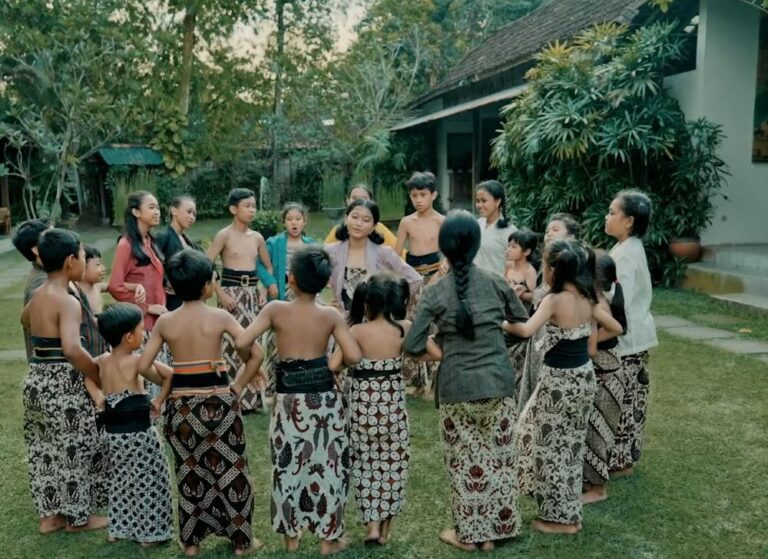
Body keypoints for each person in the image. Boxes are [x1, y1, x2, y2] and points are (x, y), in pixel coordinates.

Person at [404, 210, 528, 552]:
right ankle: (497, 530)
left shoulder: (434, 292)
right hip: (498, 383)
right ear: (477, 245)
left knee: (464, 461)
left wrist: (446, 353)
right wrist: (493, 339)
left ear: (443, 247)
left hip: (456, 386)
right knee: (499, 458)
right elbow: (521, 322)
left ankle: (470, 535)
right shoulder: (496, 281)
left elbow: (413, 345)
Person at [138, 248, 265, 557]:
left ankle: (191, 542)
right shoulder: (220, 315)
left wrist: (175, 379)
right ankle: (241, 542)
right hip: (220, 403)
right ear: (209, 285)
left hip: (181, 409)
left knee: (190, 472)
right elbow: (255, 352)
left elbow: (143, 366)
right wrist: (237, 384)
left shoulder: (166, 321)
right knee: (231, 471)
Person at [236, 246, 362, 556]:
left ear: (290, 278)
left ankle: (291, 539)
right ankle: (327, 539)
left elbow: (241, 341)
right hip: (325, 402)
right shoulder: (331, 314)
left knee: (288, 465)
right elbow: (354, 355)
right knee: (329, 466)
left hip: (288, 402)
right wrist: (331, 365)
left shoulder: (275, 310)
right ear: (324, 282)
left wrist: (251, 368)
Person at [503, 240, 623, 535]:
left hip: (558, 382)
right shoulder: (587, 299)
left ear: (554, 270)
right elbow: (617, 328)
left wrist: (503, 322)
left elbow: (527, 330)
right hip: (583, 378)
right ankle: (570, 513)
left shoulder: (554, 301)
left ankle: (558, 519)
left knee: (549, 450)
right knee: (571, 447)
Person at [330, 273, 437, 546]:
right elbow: (429, 353)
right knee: (392, 463)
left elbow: (336, 364)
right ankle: (385, 529)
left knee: (364, 464)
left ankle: (372, 528)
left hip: (362, 407)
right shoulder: (404, 328)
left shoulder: (355, 331)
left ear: (366, 301)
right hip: (392, 406)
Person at [20, 228, 106, 534]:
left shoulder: (39, 294)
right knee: (74, 446)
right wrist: (97, 372)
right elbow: (72, 349)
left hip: (36, 379)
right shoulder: (67, 300)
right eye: (82, 255)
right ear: (71, 260)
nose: (84, 259)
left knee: (44, 448)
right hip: (62, 382)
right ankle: (78, 518)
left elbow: (25, 320)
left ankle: (50, 517)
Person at [95, 303, 173, 546]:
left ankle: (118, 528)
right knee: (151, 481)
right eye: (141, 330)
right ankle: (149, 533)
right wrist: (159, 400)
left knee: (122, 481)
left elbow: (86, 375)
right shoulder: (138, 361)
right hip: (140, 435)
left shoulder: (102, 361)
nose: (144, 334)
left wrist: (98, 397)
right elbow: (171, 375)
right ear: (129, 337)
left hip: (114, 436)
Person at [605, 190, 657, 477]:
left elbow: (617, 299)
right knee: (631, 398)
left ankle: (621, 462)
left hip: (628, 340)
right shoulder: (628, 247)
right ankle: (623, 459)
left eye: (613, 212)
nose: (607, 216)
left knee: (625, 399)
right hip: (633, 336)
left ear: (629, 221)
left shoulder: (626, 254)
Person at [517, 213, 580, 411]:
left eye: (555, 229)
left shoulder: (575, 265)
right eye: (546, 231)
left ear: (571, 236)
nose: (548, 234)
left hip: (558, 334)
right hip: (540, 327)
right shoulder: (548, 262)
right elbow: (538, 295)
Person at [582, 251, 627, 504]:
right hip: (603, 374)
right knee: (592, 431)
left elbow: (614, 329)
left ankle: (598, 490)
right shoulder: (595, 299)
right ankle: (590, 483)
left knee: (598, 434)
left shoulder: (598, 304)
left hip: (607, 378)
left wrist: (590, 342)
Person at [325, 199, 422, 314]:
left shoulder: (384, 253)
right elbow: (308, 282)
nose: (358, 223)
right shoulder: (331, 251)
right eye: (354, 217)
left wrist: (396, 306)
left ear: (373, 226)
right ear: (346, 219)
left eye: (366, 220)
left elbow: (415, 280)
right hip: (342, 321)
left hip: (375, 322)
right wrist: (324, 306)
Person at [107, 191, 166, 338]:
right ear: (136, 212)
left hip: (159, 323)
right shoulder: (126, 245)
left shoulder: (150, 242)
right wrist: (148, 308)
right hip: (140, 326)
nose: (157, 212)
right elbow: (115, 287)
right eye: (152, 207)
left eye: (158, 208)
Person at [394, 172, 445, 282]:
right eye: (414, 195)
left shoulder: (441, 221)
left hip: (437, 274)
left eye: (423, 195)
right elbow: (396, 254)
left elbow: (449, 251)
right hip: (412, 275)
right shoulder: (406, 222)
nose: (418, 200)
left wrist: (442, 268)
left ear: (433, 195)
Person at [12, 218, 51, 361]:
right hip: (49, 366)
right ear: (36, 250)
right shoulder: (42, 282)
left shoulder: (48, 274)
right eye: (51, 237)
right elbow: (27, 320)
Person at [324, 184, 399, 252]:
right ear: (347, 200)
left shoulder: (380, 230)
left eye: (364, 198)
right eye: (354, 198)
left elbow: (399, 253)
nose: (359, 201)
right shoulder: (337, 231)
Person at [156, 195, 199, 311]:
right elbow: (153, 263)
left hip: (190, 299)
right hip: (171, 300)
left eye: (194, 214)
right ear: (174, 210)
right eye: (189, 212)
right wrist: (166, 281)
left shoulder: (190, 243)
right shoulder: (163, 237)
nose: (192, 217)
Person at [266, 202, 316, 301]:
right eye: (289, 219)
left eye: (298, 219)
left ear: (304, 222)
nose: (294, 222)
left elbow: (318, 269)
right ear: (284, 222)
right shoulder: (273, 243)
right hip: (282, 293)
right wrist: (270, 282)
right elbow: (260, 264)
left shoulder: (311, 244)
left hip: (306, 293)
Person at [473, 180, 517, 277]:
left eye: (484, 201)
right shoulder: (475, 224)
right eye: (477, 201)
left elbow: (515, 264)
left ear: (497, 201)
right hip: (474, 284)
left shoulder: (510, 231)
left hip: (497, 286)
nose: (479, 205)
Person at [505, 229, 538, 312]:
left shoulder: (529, 271)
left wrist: (519, 292)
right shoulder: (509, 264)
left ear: (526, 252)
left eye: (514, 247)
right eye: (508, 245)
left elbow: (534, 297)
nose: (508, 249)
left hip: (519, 314)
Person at [76, 245, 108, 316]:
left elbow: (114, 286)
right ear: (83, 267)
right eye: (98, 264)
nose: (103, 268)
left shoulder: (97, 287)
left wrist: (135, 286)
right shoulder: (76, 294)